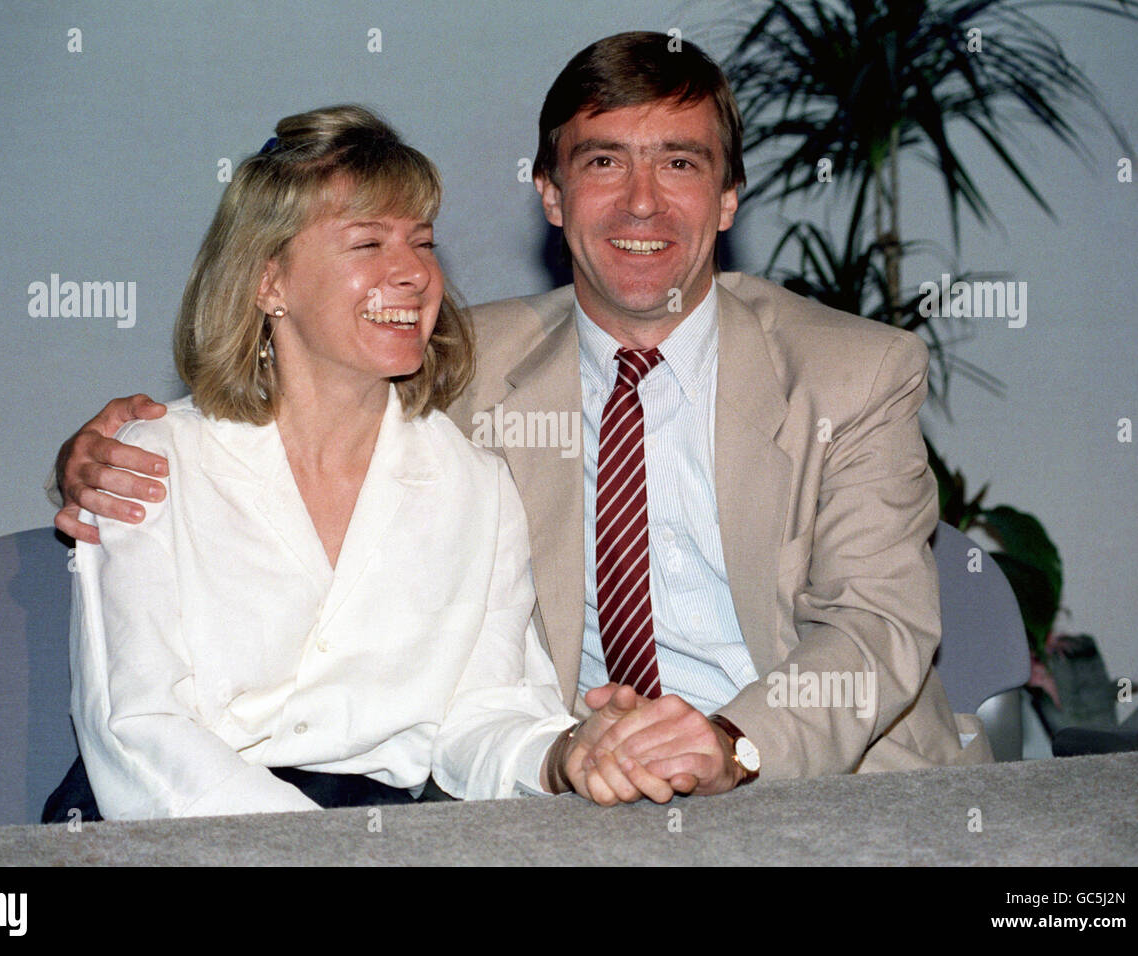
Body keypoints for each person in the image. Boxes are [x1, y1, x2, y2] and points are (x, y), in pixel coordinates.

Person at [53, 34, 992, 805]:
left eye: (680, 163)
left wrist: (731, 744)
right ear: (549, 193)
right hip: (581, 801)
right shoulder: (455, 366)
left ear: (728, 197)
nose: (641, 203)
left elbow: (876, 627)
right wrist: (94, 454)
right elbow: (295, 395)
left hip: (811, 785)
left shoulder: (853, 372)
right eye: (602, 162)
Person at [50, 104, 674, 821]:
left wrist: (567, 756)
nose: (411, 273)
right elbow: (137, 730)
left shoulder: (475, 484)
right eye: (368, 243)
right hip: (178, 829)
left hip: (386, 829)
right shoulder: (150, 465)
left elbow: (483, 716)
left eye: (423, 241)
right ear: (269, 282)